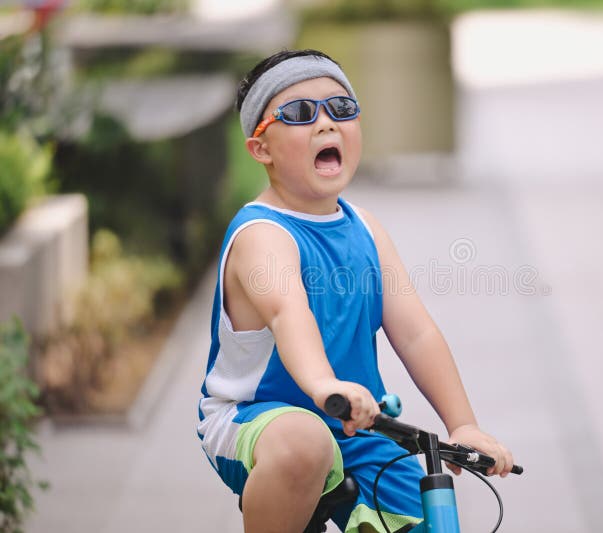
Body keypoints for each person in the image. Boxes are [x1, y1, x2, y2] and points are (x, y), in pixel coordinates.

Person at [197, 49, 515, 533]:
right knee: (306, 442)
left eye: (341, 109)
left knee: (423, 515)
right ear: (261, 149)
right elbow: (288, 314)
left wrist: (463, 424)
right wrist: (326, 387)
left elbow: (415, 334)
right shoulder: (262, 234)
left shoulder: (365, 228)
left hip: (357, 424)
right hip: (255, 420)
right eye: (301, 113)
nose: (326, 123)